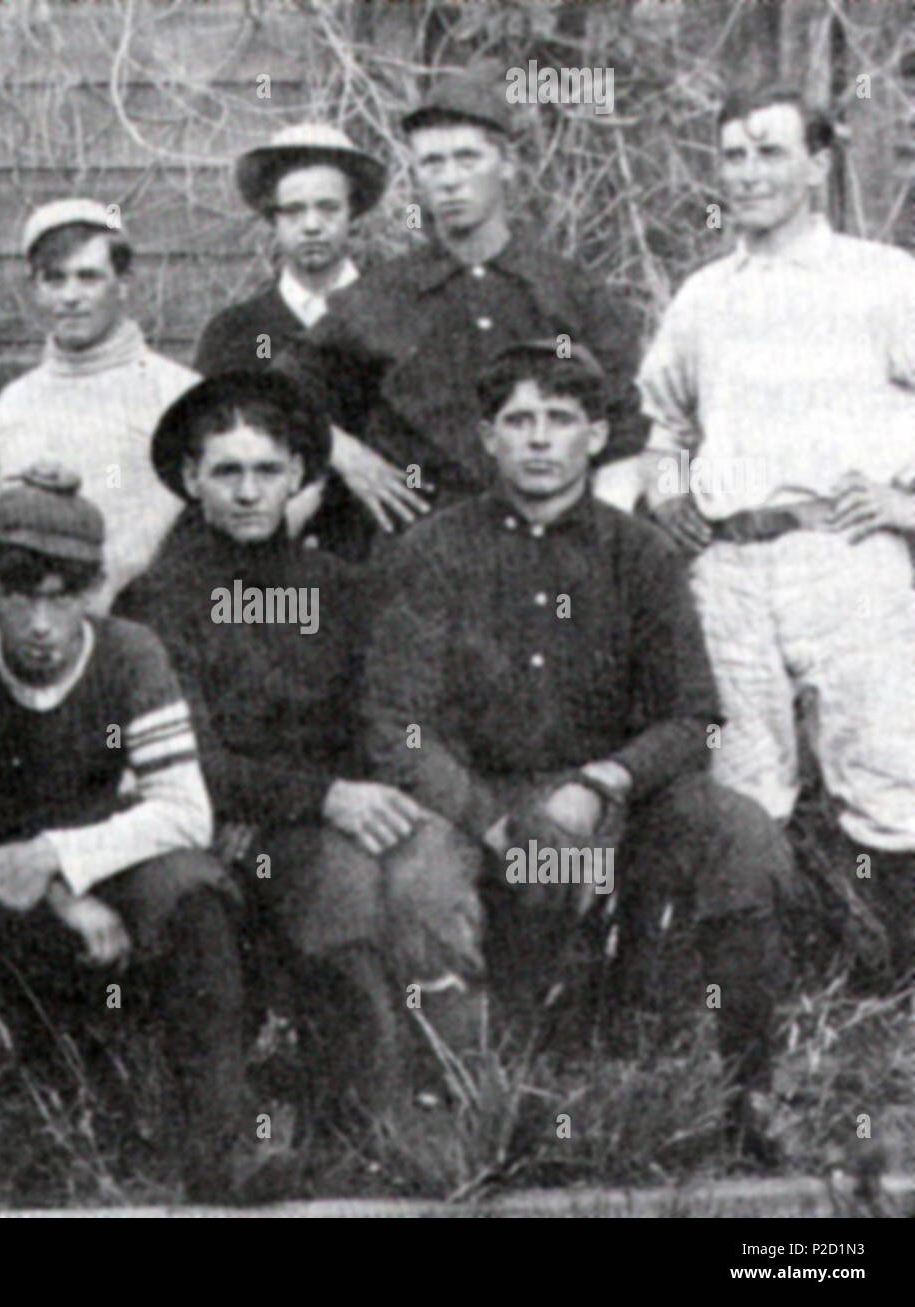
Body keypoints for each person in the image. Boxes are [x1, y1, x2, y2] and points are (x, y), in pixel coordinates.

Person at [363, 341, 798, 1161]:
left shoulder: (639, 554)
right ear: (487, 437)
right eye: (517, 421)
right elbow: (397, 726)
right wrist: (489, 820)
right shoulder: (431, 551)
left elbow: (694, 716)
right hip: (470, 794)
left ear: (596, 436)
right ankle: (465, 1105)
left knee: (743, 836)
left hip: (605, 795)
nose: (537, 439)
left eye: (559, 420)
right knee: (420, 877)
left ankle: (748, 1091)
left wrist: (606, 779)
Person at [0, 465, 287, 1215]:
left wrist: (61, 862)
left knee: (193, 891)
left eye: (63, 596)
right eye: (22, 595)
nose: (41, 621)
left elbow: (184, 809)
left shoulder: (130, 653)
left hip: (85, 865)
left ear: (91, 592)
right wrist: (31, 877)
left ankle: (219, 1149)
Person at [116, 371, 485, 1130]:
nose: (248, 492)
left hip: (346, 810)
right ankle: (364, 1119)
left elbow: (385, 719)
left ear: (299, 476)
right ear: (191, 479)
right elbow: (185, 759)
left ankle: (460, 1105)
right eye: (226, 471)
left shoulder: (344, 590)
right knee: (342, 889)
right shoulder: (160, 599)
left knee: (432, 867)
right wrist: (320, 798)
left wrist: (373, 795)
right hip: (227, 823)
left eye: (266, 470)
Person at [636, 83, 915, 983]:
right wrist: (672, 494)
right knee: (744, 783)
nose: (749, 173)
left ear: (819, 165)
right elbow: (665, 422)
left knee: (887, 773)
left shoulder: (881, 280)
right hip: (728, 565)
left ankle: (890, 998)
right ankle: (759, 989)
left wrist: (906, 508)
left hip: (843, 554)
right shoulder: (706, 295)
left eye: (770, 152)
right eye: (734, 155)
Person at [274, 72, 645, 559]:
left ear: (506, 164)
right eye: (432, 162)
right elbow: (279, 393)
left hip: (542, 553)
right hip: (416, 556)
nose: (449, 179)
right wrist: (348, 456)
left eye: (467, 158)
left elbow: (623, 427)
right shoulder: (381, 296)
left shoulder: (567, 291)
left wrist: (591, 546)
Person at [0, 199, 194, 618]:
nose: (70, 296)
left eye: (88, 277)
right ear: (36, 289)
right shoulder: (15, 403)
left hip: (148, 642)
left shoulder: (176, 394)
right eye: (54, 279)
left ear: (124, 282)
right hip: (38, 644)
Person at [193, 123, 387, 377]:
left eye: (328, 208)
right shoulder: (232, 334)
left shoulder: (393, 318)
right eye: (294, 210)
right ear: (273, 219)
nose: (312, 226)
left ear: (352, 213)